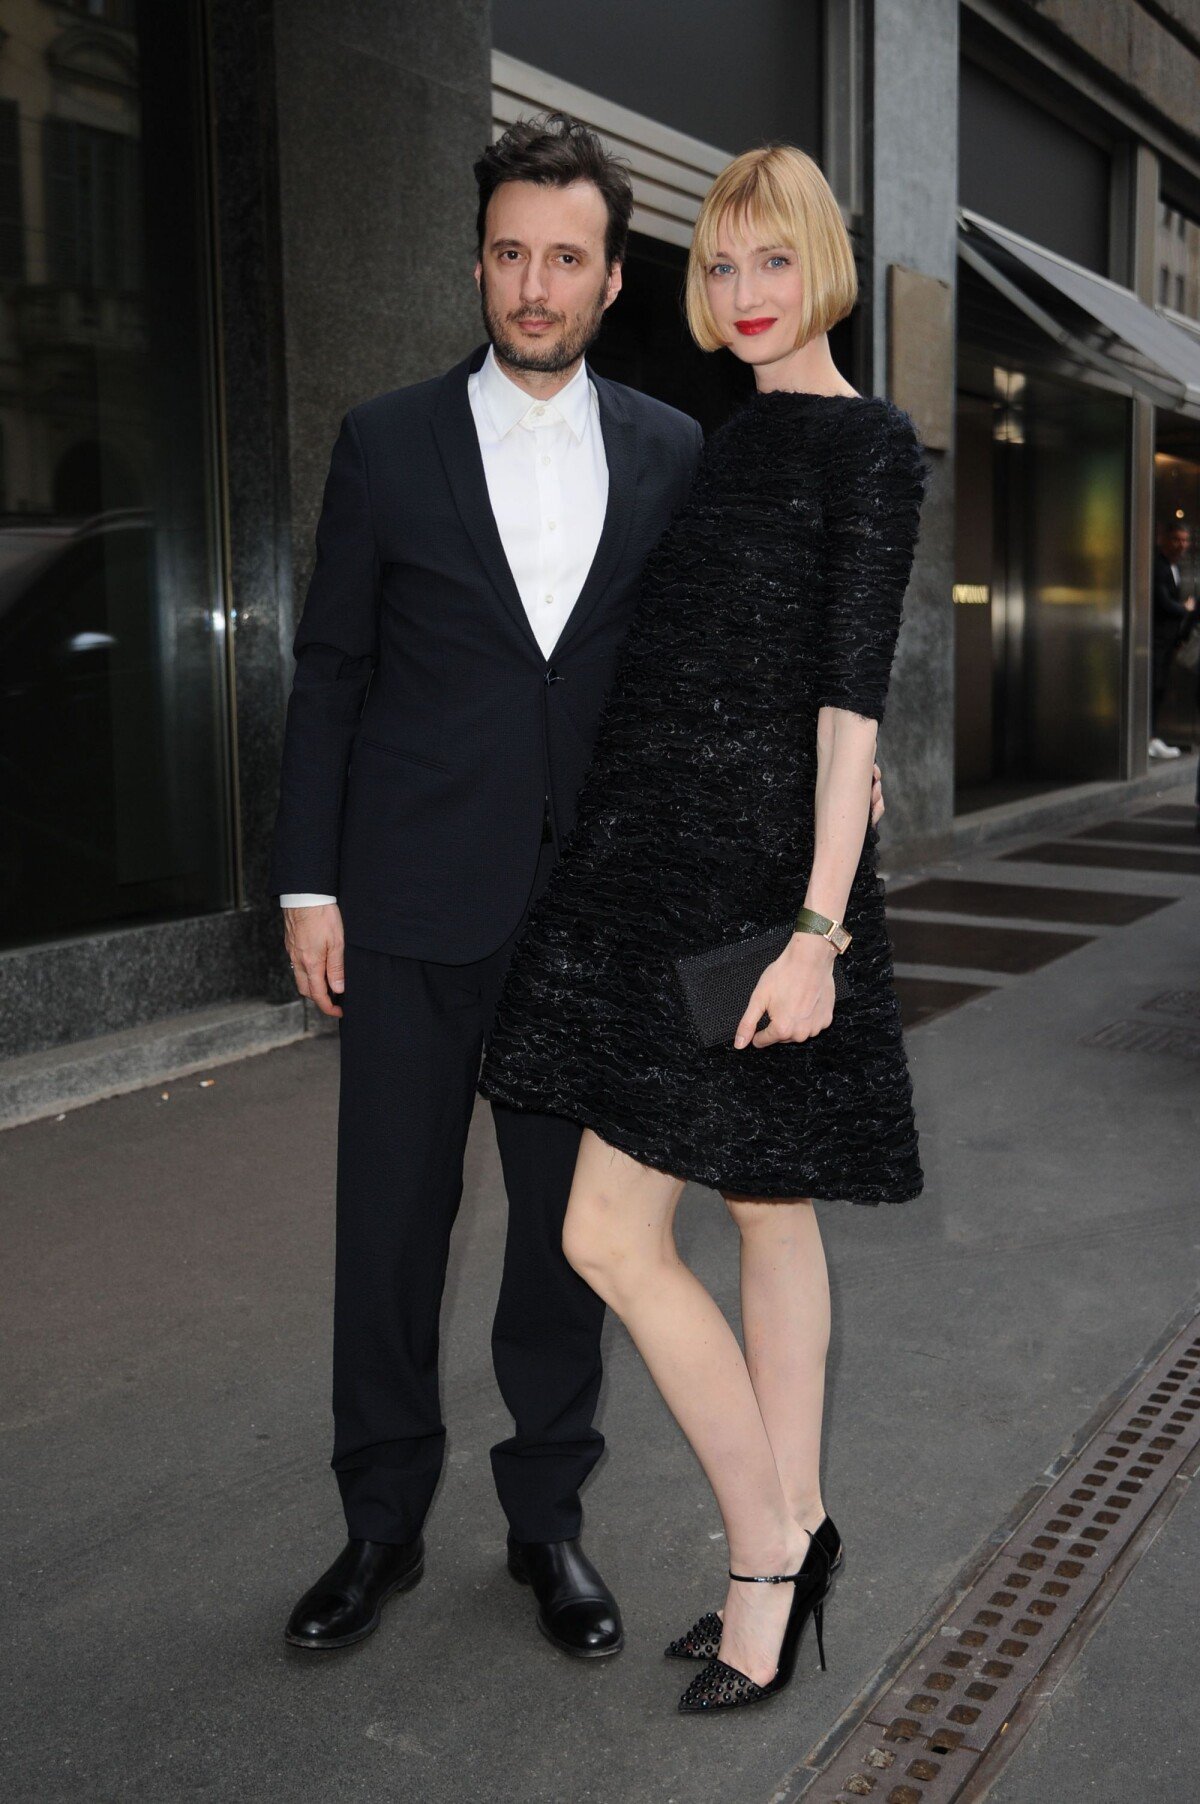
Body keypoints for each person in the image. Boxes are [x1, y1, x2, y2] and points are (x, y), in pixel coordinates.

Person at [480, 143, 928, 1714]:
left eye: (773, 263)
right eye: (720, 267)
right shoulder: (715, 445)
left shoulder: (868, 448)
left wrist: (816, 925)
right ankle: (794, 1527)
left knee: (612, 1232)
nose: (744, 295)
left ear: (824, 264)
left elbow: (848, 701)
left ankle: (764, 1553)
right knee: (762, 1209)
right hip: (654, 872)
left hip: (751, 894)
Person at [267, 114, 707, 1659]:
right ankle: (378, 1528)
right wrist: (307, 888)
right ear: (478, 259)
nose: (533, 284)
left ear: (610, 280)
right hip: (400, 907)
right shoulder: (386, 440)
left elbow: (673, 693)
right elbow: (330, 676)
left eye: (564, 259)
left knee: (560, 1237)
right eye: (510, 253)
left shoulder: (668, 449)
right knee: (388, 1229)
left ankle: (548, 1527)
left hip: (584, 921)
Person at [1150, 521, 1195, 759]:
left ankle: (1153, 736)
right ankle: (1149, 737)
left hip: (1168, 640)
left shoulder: (1174, 567)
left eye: (1185, 540)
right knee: (1153, 686)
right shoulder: (1159, 566)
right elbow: (1162, 602)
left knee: (1159, 687)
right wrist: (1185, 609)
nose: (1181, 545)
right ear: (1164, 539)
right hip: (1156, 639)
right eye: (1176, 539)